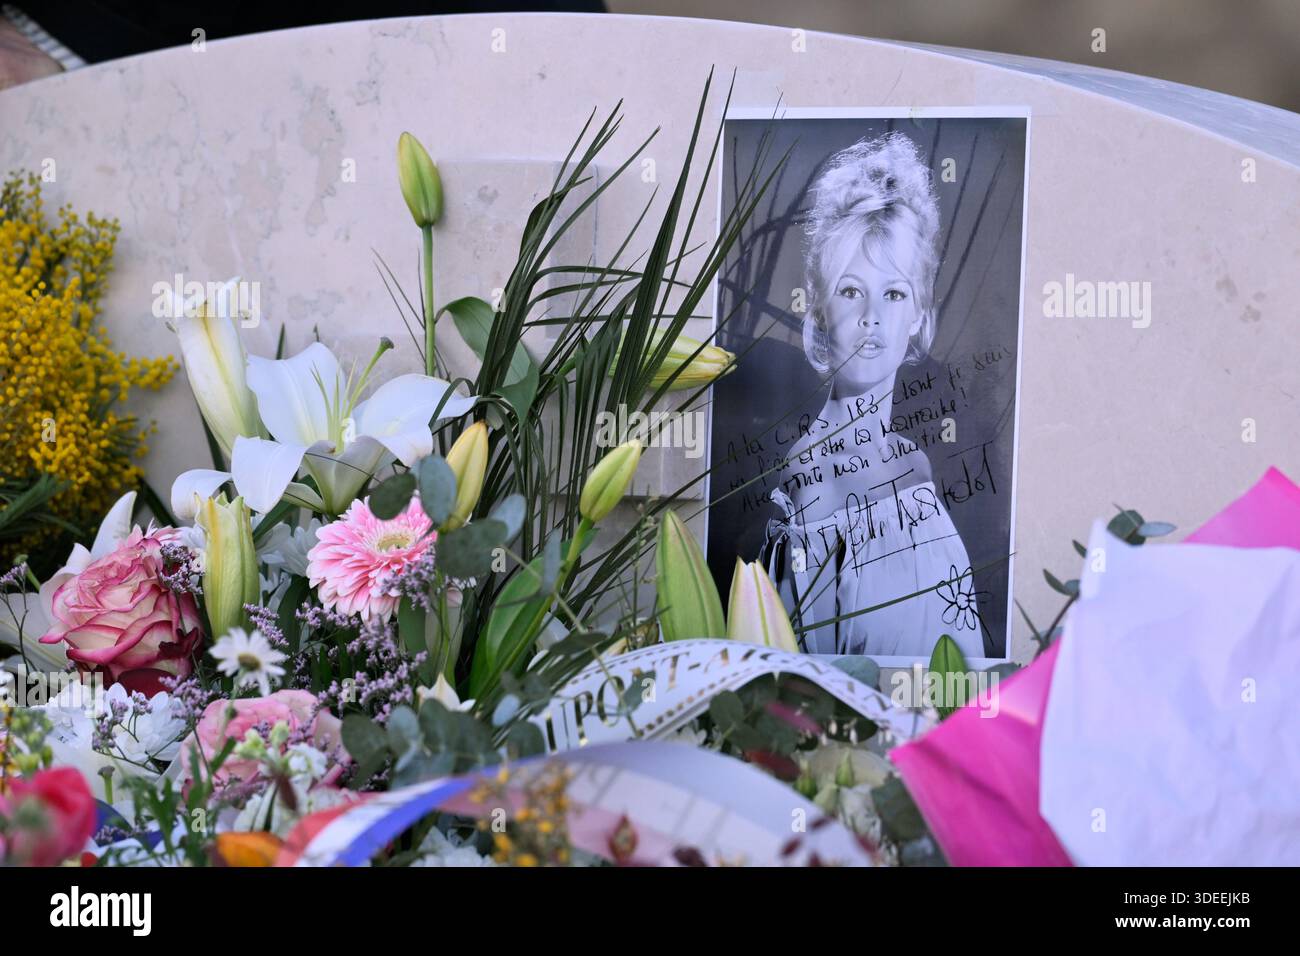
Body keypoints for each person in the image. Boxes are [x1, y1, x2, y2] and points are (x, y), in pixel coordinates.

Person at [761, 132, 983, 660]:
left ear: (919, 318)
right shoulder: (811, 483)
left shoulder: (914, 463)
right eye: (851, 290)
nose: (872, 317)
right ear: (818, 313)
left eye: (894, 292)